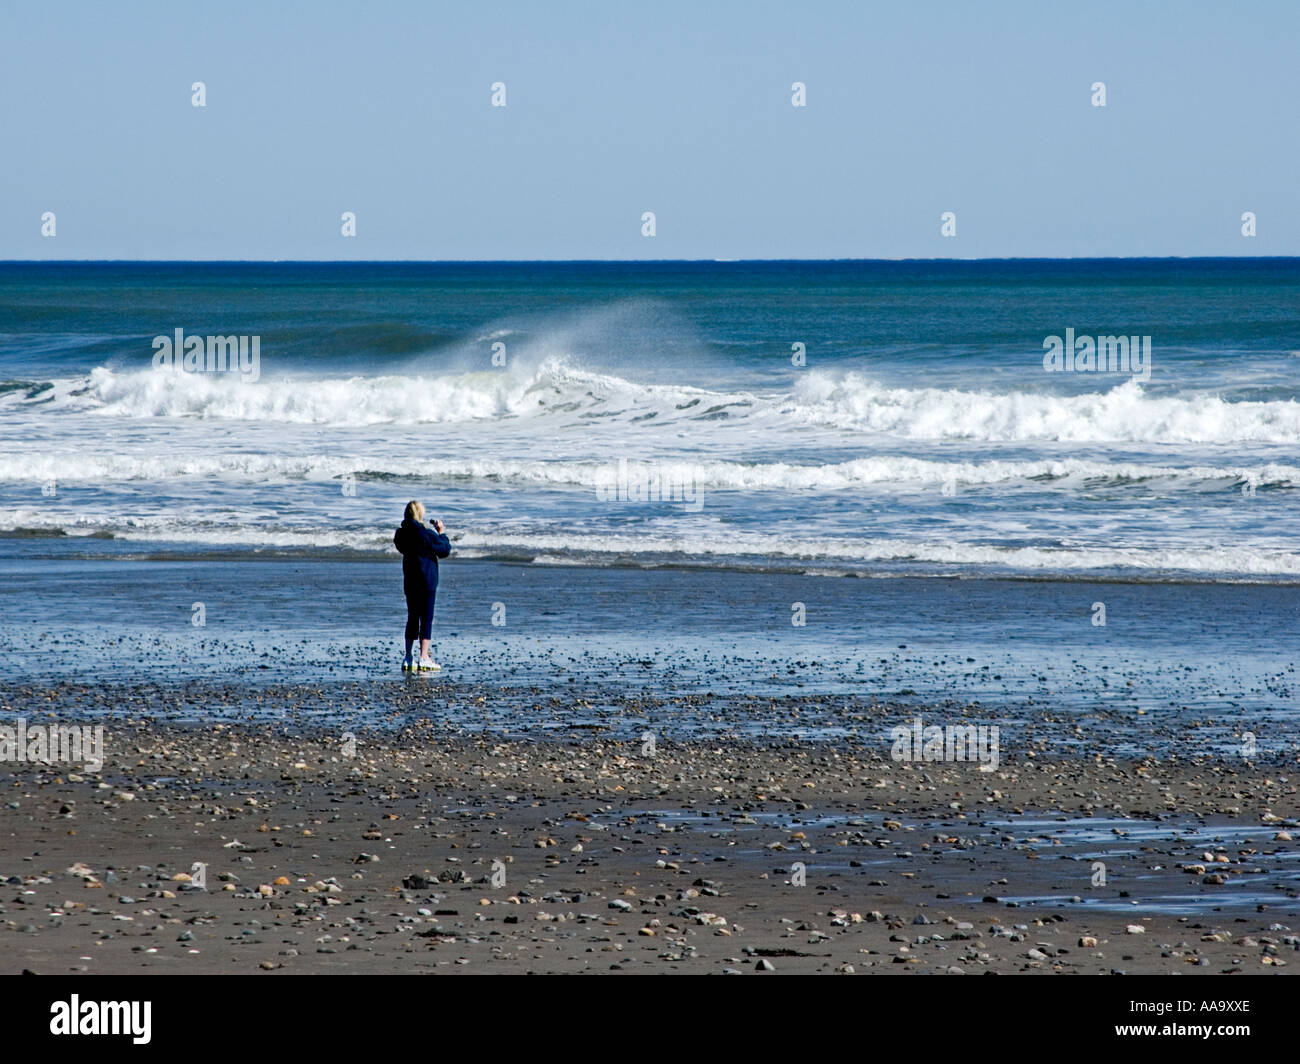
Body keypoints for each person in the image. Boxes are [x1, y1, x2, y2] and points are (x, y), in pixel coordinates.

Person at [393, 500, 451, 671]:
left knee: (412, 616)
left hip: (410, 579)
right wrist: (441, 533)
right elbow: (444, 550)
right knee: (426, 618)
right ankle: (424, 657)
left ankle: (408, 657)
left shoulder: (401, 535)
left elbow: (401, 547)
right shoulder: (426, 535)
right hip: (427, 581)